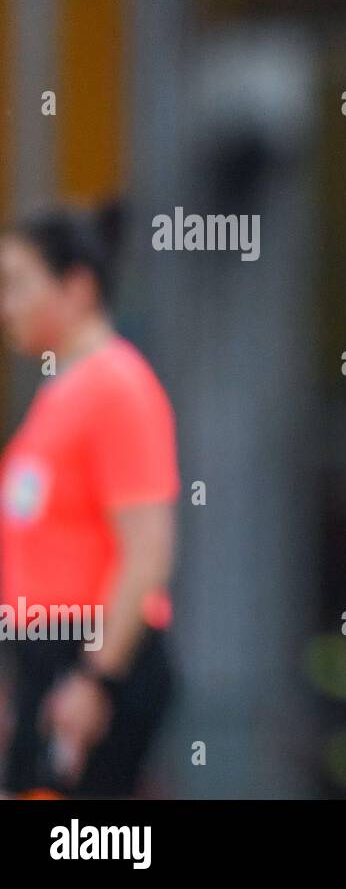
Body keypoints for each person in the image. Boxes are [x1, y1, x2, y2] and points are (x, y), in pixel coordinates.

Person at [0, 201, 179, 797]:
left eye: (17, 285)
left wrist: (94, 680)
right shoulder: (61, 396)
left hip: (90, 655)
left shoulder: (118, 389)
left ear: (76, 287)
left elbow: (147, 552)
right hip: (47, 658)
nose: (6, 306)